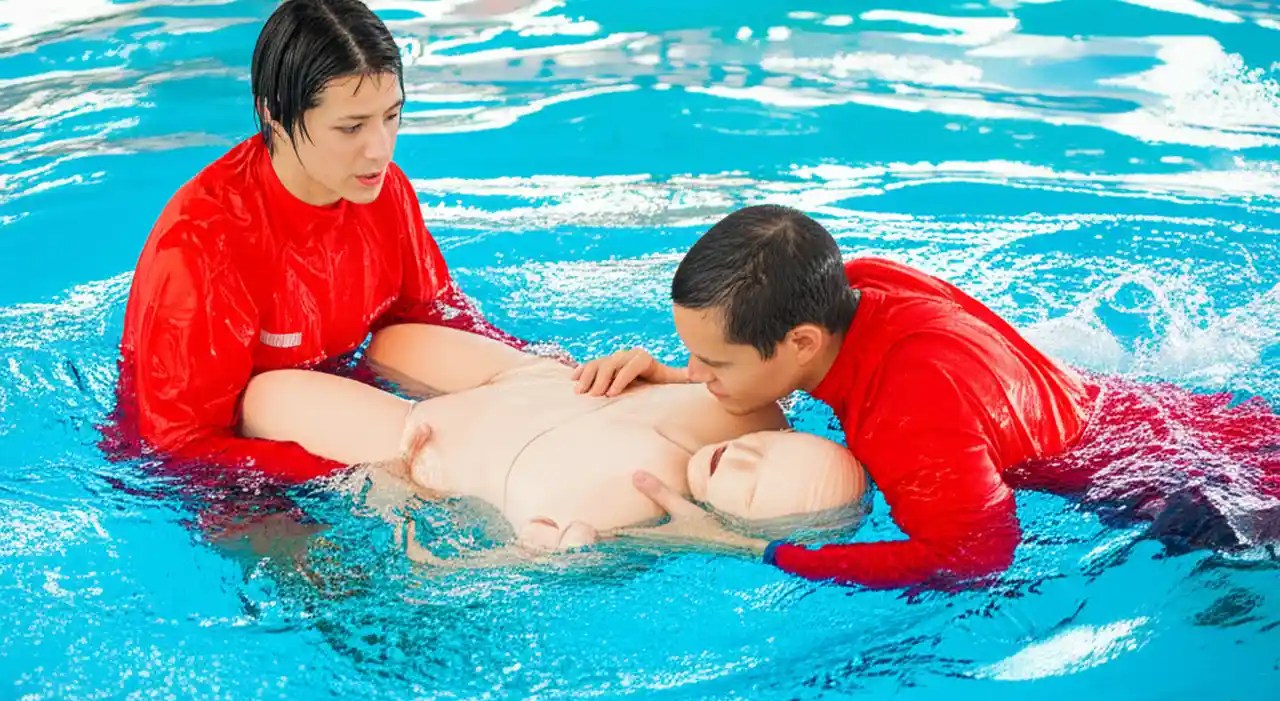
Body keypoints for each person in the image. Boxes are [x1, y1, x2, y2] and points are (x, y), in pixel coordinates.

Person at [573, 204, 1280, 588]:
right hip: (1191, 421)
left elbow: (974, 558)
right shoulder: (861, 283)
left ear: (802, 344)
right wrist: (683, 376)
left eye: (712, 358)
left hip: (1198, 491)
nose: (696, 370)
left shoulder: (908, 414)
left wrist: (747, 550)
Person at [102, 0, 527, 484]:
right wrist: (350, 477)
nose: (380, 148)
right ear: (274, 114)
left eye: (391, 116)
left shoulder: (382, 193)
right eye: (352, 127)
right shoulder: (203, 243)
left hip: (333, 408)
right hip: (211, 475)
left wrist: (555, 371)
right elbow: (178, 450)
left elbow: (437, 315)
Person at [237, 324, 870, 551]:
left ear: (740, 528)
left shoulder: (629, 521)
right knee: (390, 339)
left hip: (429, 441)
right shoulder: (754, 415)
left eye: (753, 486)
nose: (746, 457)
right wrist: (660, 371)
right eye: (774, 449)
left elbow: (493, 568)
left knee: (263, 396)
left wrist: (400, 498)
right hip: (523, 378)